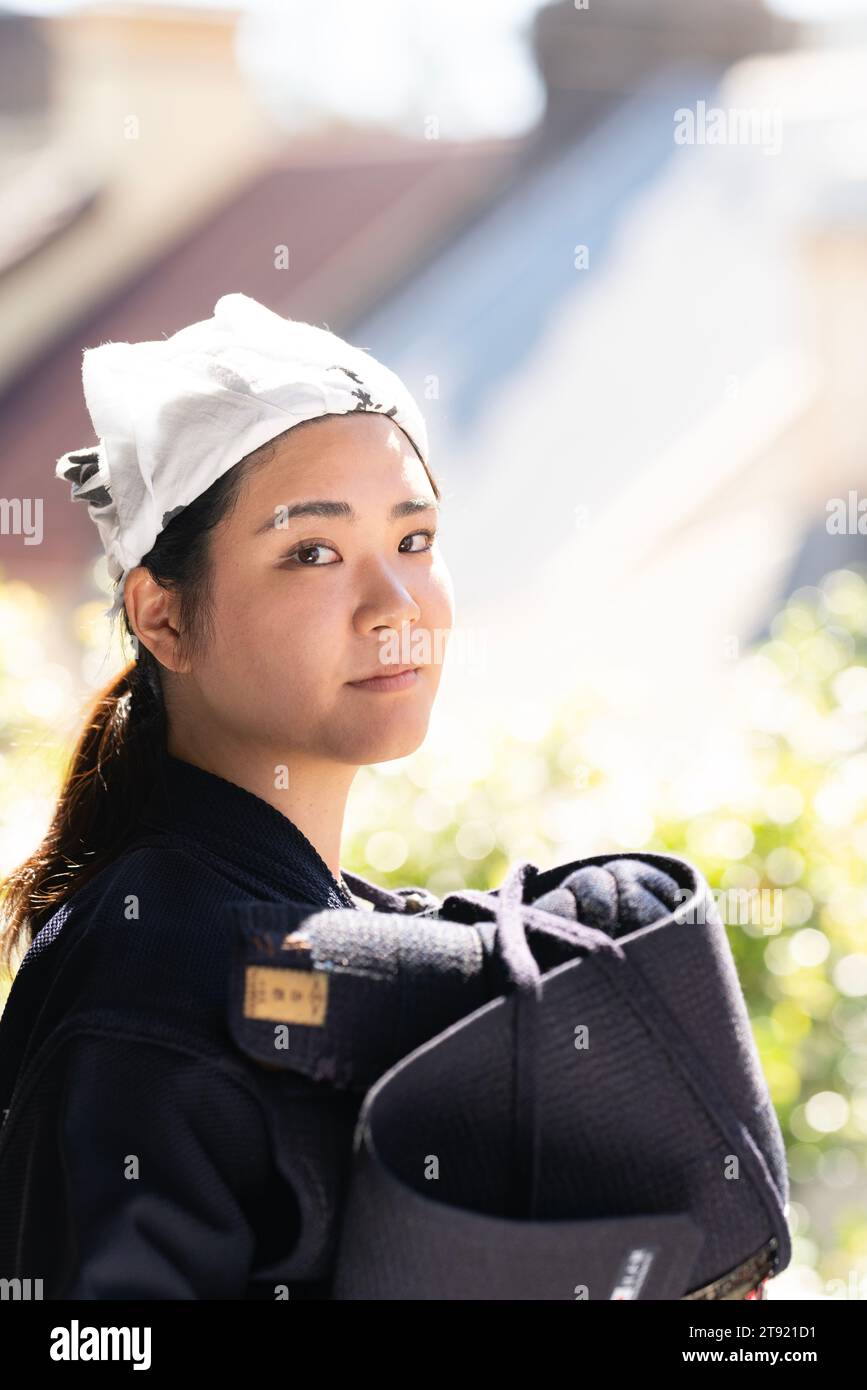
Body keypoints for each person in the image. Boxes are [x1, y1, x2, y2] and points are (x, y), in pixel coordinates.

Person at [0, 294, 454, 1298]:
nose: (396, 604)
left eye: (415, 540)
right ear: (163, 616)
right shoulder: (153, 981)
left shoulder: (343, 935)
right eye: (313, 552)